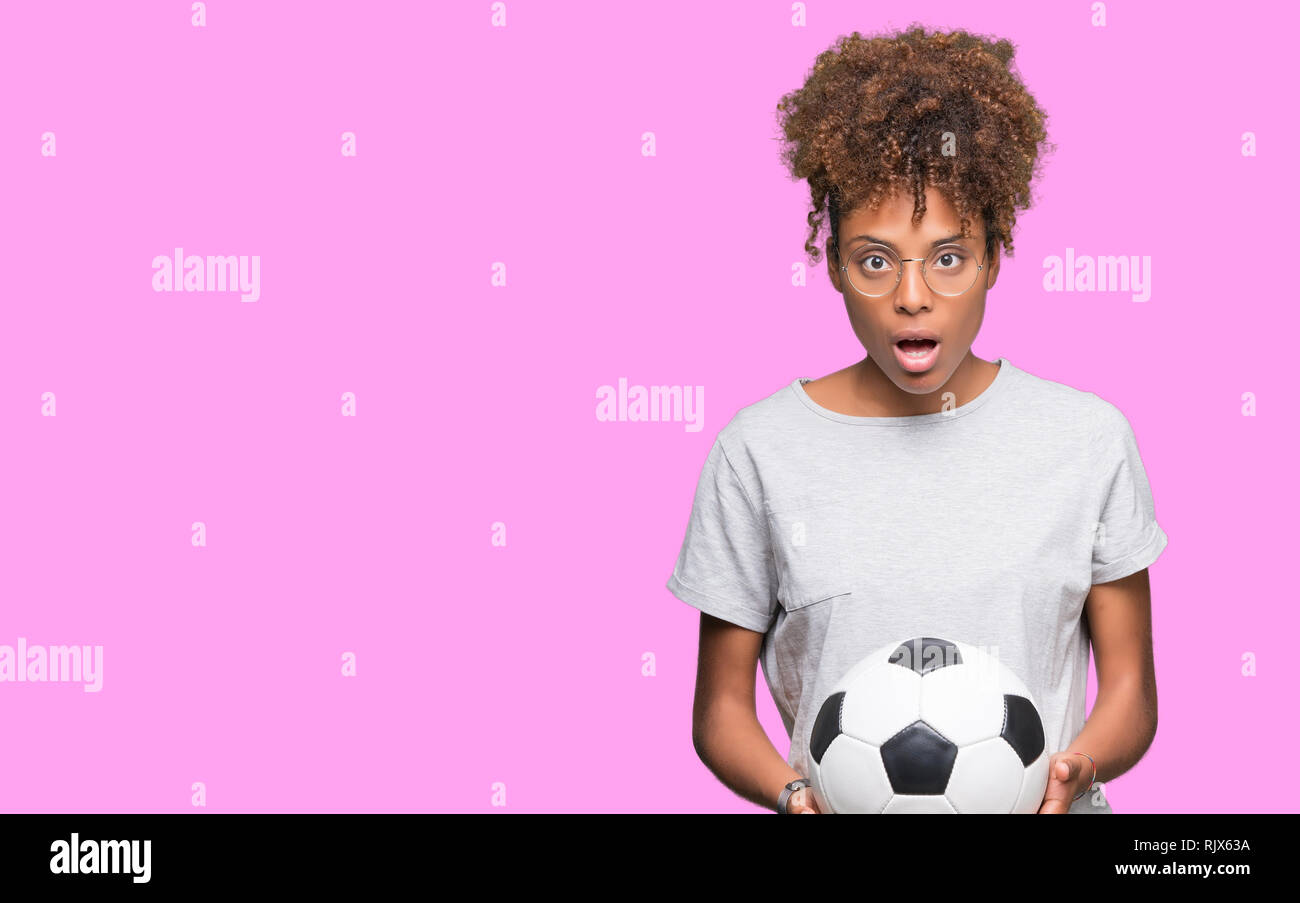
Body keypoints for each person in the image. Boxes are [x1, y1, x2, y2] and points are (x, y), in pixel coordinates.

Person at [666, 24, 1168, 814]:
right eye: (875, 259)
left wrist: (1077, 766)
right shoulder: (757, 452)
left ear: (994, 256)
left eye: (947, 256)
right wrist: (792, 792)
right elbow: (720, 709)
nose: (911, 295)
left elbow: (1132, 688)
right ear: (832, 263)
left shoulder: (1087, 440)